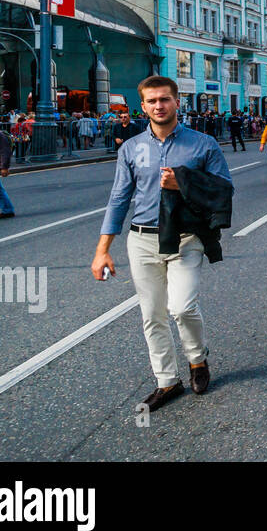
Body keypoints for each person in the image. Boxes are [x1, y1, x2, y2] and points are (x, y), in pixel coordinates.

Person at [91, 75, 232, 413]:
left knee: (181, 307)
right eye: (152, 101)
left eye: (165, 99)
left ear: (177, 102)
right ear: (142, 106)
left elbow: (224, 189)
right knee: (152, 315)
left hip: (186, 237)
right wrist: (102, 249)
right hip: (141, 239)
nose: (159, 105)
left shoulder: (203, 144)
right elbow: (119, 199)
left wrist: (184, 181)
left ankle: (198, 360)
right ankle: (167, 381)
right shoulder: (131, 148)